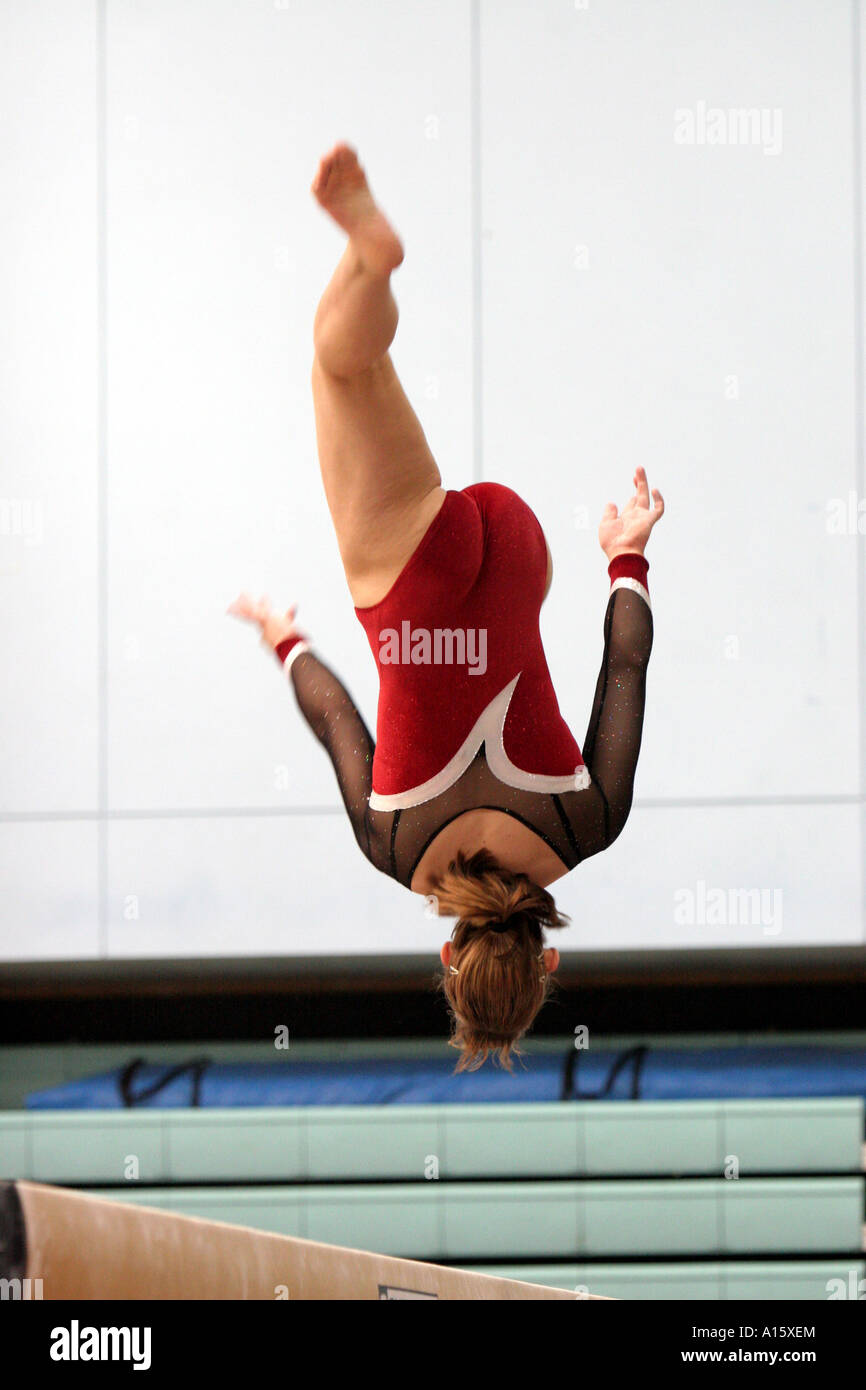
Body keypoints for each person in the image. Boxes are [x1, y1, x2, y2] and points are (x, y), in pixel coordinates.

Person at [230, 143, 665, 1070]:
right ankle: (371, 256)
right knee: (342, 370)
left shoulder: (587, 825)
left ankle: (371, 261)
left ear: (544, 961)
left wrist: (626, 554)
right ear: (447, 953)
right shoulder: (393, 843)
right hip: (411, 576)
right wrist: (284, 639)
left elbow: (624, 665)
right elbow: (335, 718)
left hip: (518, 560)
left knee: (358, 376)